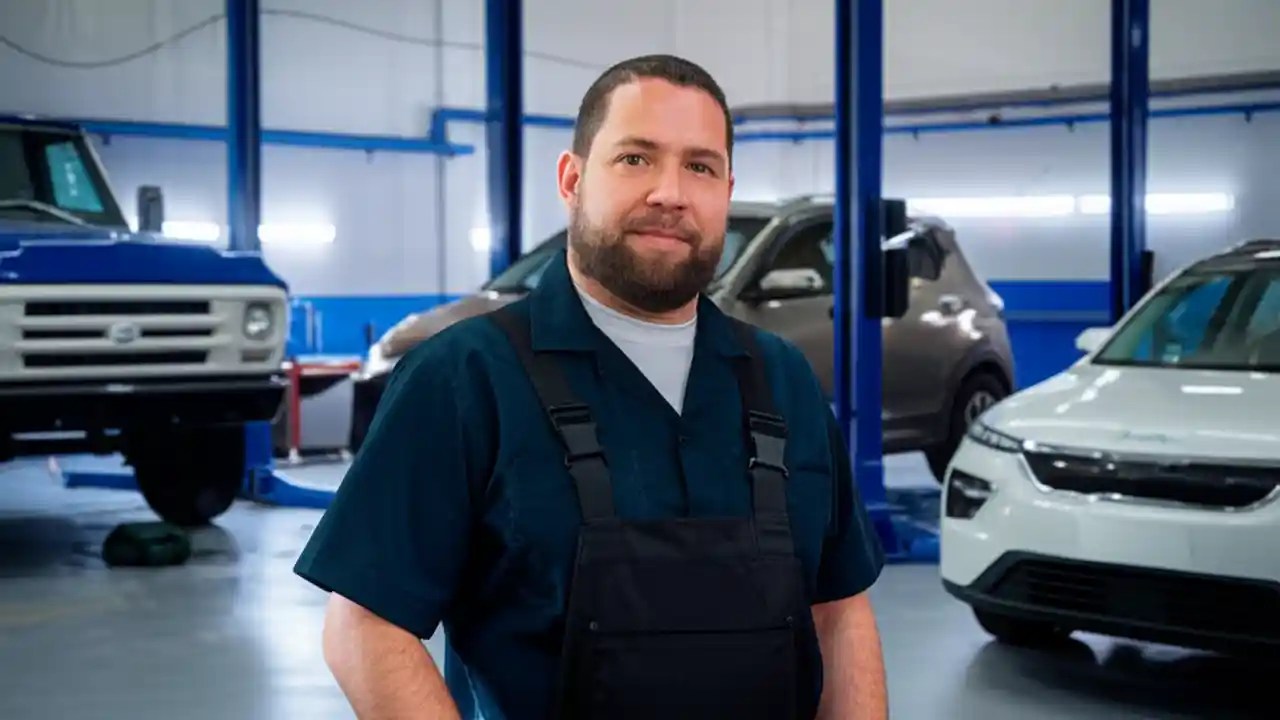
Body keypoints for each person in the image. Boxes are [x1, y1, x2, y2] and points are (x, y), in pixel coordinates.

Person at [294, 53, 889, 720]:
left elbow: (838, 611)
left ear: (724, 190)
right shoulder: (465, 378)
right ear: (572, 179)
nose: (670, 192)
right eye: (636, 158)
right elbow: (365, 627)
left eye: (700, 165)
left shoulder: (783, 380)